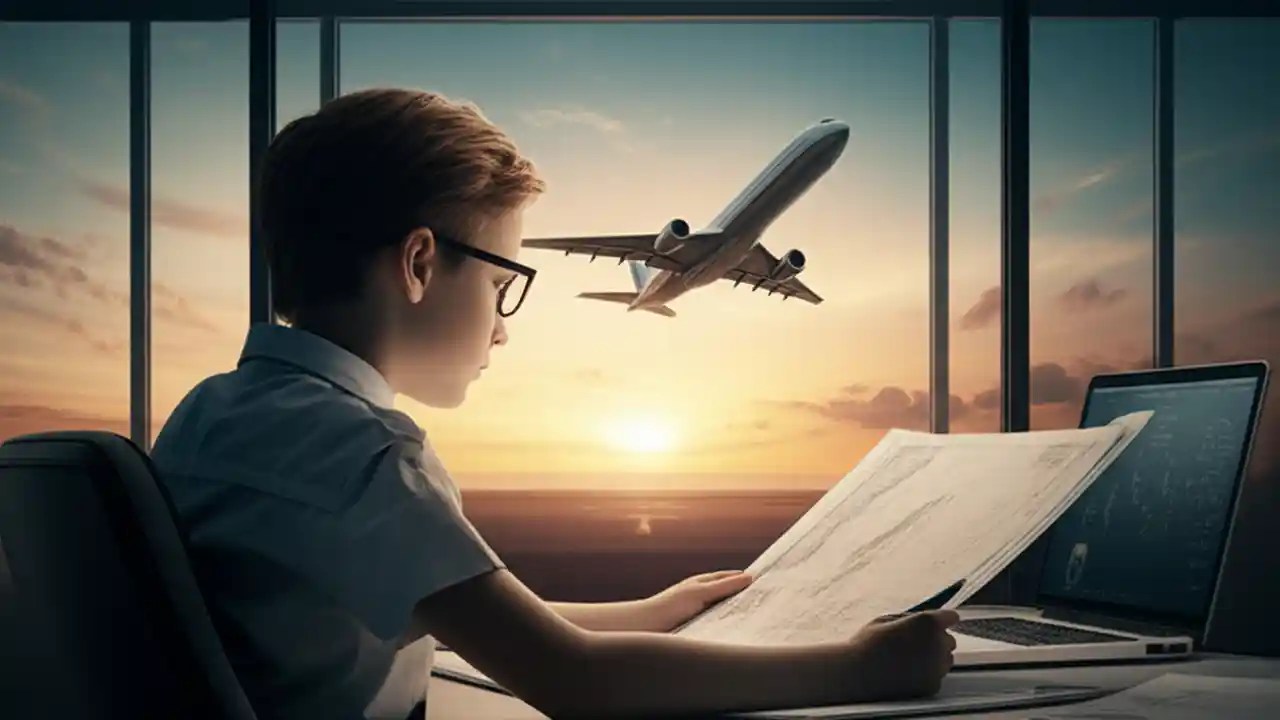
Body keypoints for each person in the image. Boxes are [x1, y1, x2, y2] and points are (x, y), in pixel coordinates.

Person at [149, 87, 957, 720]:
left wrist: (655, 609)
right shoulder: (371, 462)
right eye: (501, 286)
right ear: (420, 265)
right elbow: (573, 678)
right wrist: (862, 666)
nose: (503, 329)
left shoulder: (212, 416)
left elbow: (482, 618)